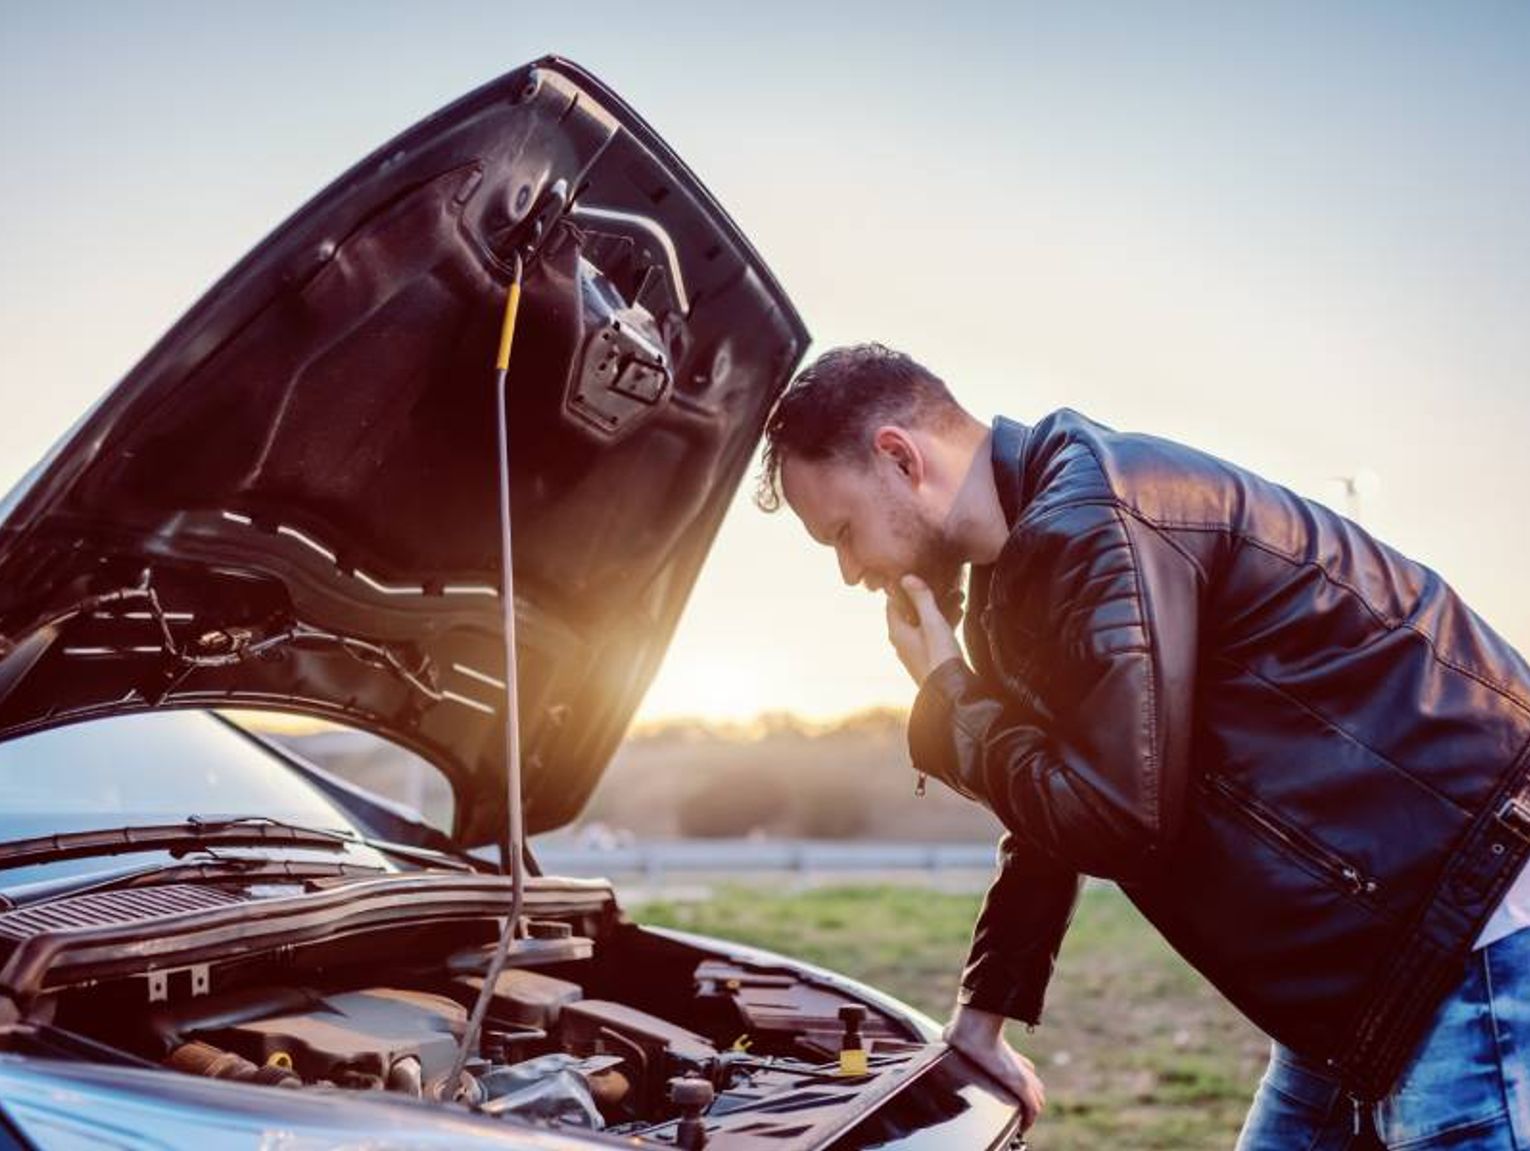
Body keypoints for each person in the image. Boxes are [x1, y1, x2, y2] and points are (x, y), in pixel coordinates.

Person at [756, 342, 1530, 1148]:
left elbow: (1117, 814)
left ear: (899, 456)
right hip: (1374, 969)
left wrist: (951, 705)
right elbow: (1054, 812)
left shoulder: (1093, 522)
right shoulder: (1019, 575)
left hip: (1469, 923)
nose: (850, 572)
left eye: (842, 532)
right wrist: (981, 1017)